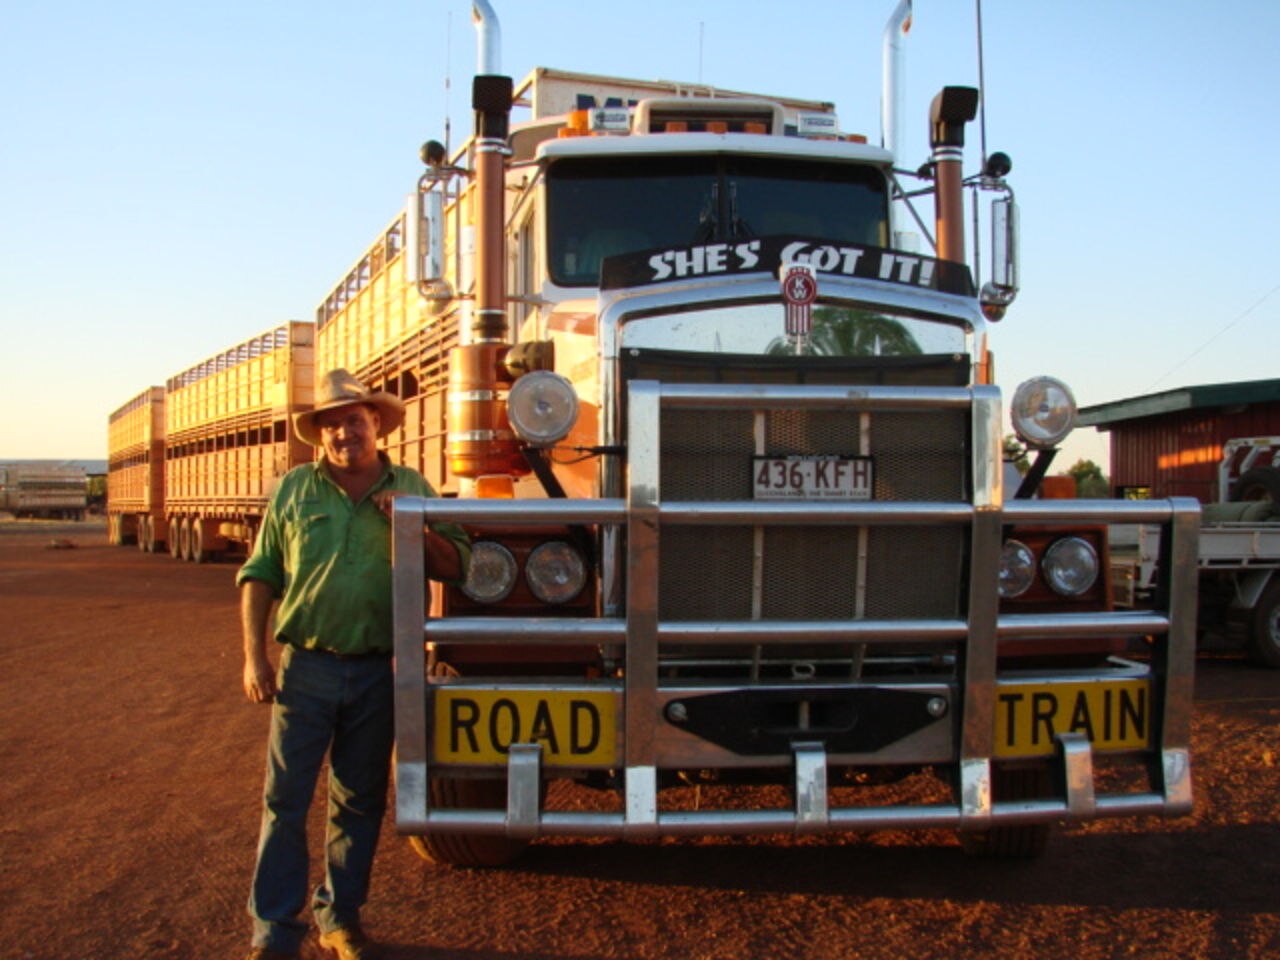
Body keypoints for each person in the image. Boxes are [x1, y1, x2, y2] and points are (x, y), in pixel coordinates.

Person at [238, 369, 470, 960]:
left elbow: (455, 563)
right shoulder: (294, 490)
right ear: (319, 434)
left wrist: (409, 522)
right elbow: (260, 574)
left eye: (355, 420)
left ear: (375, 424)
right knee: (284, 801)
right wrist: (253, 656)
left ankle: (340, 919)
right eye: (333, 423)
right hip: (305, 668)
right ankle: (274, 932)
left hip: (378, 670)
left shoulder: (411, 484)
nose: (345, 432)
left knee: (359, 799)